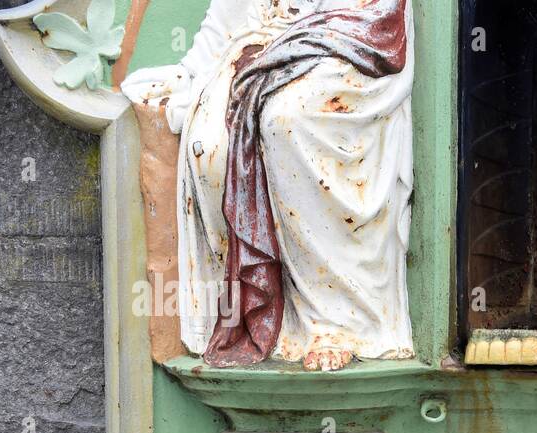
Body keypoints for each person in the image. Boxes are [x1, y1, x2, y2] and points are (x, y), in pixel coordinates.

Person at [122, 0, 415, 370]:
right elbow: (223, 23)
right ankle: (244, 305)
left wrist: (294, 45)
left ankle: (334, 319)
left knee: (284, 120)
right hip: (259, 55)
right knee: (208, 149)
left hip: (345, 51)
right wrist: (188, 74)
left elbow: (371, 17)